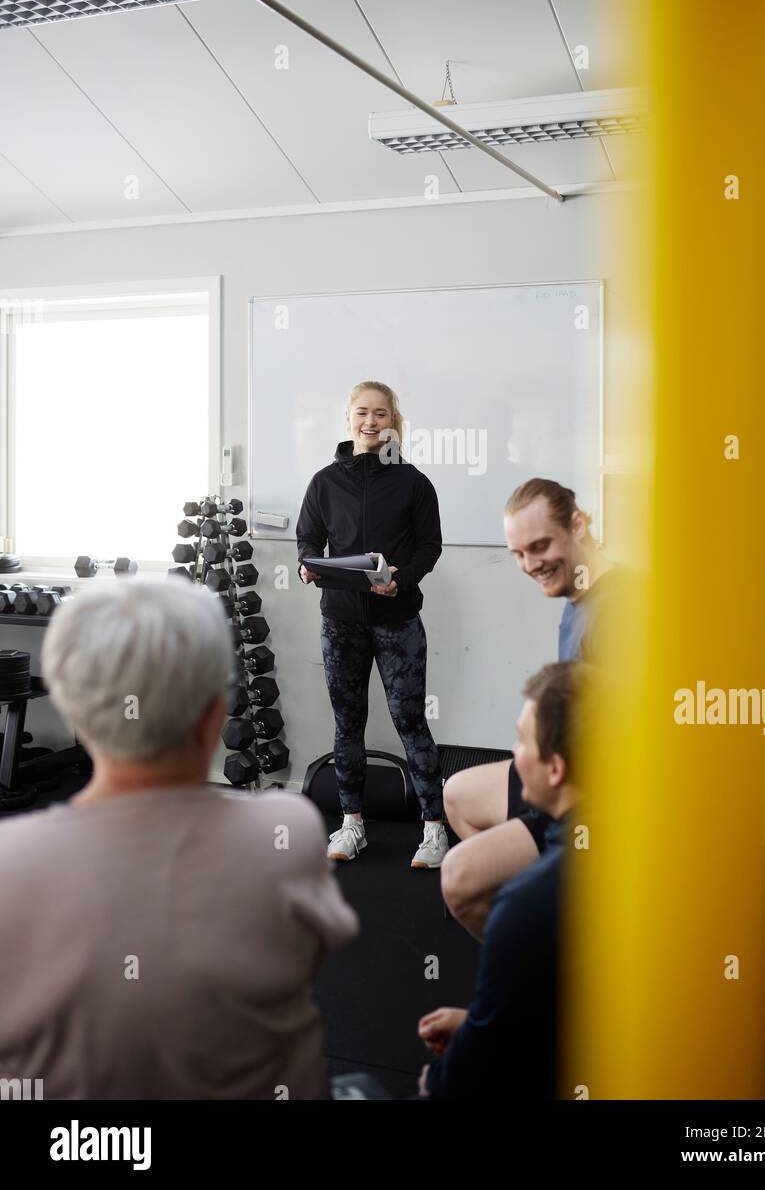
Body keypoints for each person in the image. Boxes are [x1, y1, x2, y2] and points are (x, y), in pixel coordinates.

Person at [0, 578, 358, 1100]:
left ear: (71, 710)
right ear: (217, 716)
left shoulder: (11, 860)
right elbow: (303, 961)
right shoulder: (289, 830)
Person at [442, 478, 624, 937]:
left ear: (578, 525)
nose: (530, 565)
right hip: (566, 772)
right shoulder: (579, 594)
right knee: (457, 795)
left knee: (460, 878)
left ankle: (552, 940)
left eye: (539, 546)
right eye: (518, 554)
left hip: (598, 801)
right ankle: (538, 934)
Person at [418, 660, 587, 1100]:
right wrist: (482, 1021)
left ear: (555, 768)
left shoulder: (523, 906)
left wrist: (435, 1081)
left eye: (520, 740)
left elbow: (463, 1079)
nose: (512, 754)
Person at [297, 380, 448, 869]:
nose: (370, 422)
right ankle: (352, 824)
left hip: (397, 619)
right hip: (341, 621)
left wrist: (401, 579)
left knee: (410, 722)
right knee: (347, 725)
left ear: (393, 422)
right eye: (362, 413)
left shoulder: (414, 482)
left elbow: (429, 546)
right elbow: (308, 542)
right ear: (347, 419)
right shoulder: (323, 482)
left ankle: (433, 830)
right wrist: (307, 565)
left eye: (380, 414)